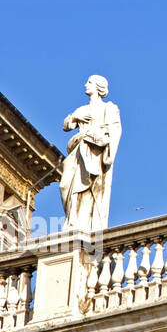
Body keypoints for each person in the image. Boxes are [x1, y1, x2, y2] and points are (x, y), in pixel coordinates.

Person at [59, 74, 121, 232]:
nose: (86, 85)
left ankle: (84, 223)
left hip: (95, 151)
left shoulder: (109, 108)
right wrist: (75, 117)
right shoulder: (82, 109)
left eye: (90, 82)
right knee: (66, 184)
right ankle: (72, 219)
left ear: (99, 87)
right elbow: (66, 126)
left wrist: (109, 153)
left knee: (90, 187)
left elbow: (115, 130)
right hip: (78, 151)